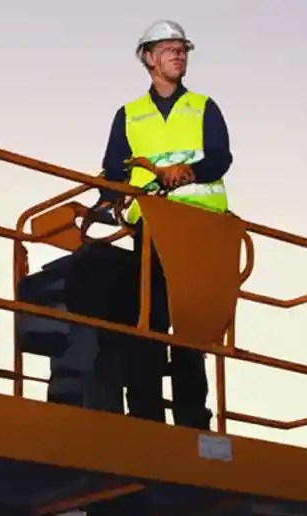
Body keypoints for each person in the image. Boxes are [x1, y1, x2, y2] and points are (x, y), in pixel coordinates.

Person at [86, 19, 233, 430]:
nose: (178, 53)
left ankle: (191, 419)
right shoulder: (129, 115)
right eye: (168, 47)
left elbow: (220, 159)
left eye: (182, 47)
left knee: (189, 323)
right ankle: (146, 417)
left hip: (198, 228)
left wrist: (185, 171)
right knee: (149, 322)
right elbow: (114, 170)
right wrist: (103, 203)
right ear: (148, 59)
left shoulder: (203, 106)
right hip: (151, 227)